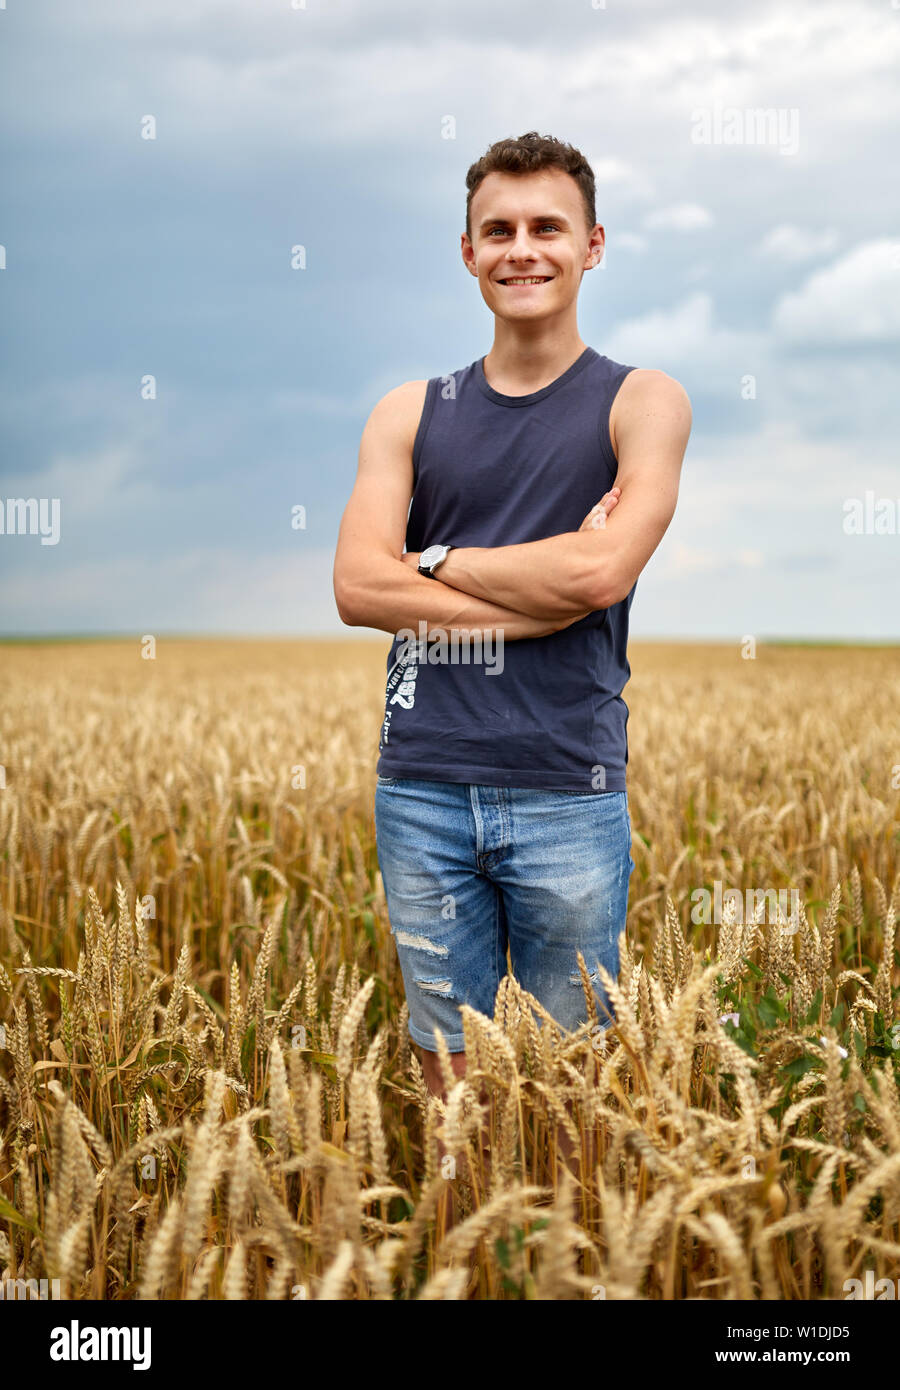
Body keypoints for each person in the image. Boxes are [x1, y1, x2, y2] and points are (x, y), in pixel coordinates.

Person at [333, 131, 691, 1099]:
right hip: (423, 782)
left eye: (547, 227)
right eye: (498, 230)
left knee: (569, 1077)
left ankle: (563, 1251)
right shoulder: (410, 410)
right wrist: (537, 593)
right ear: (467, 252)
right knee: (448, 1070)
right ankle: (468, 1245)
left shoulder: (641, 401)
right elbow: (359, 589)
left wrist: (440, 560)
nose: (521, 249)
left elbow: (599, 574)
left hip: (566, 785)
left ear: (593, 244)